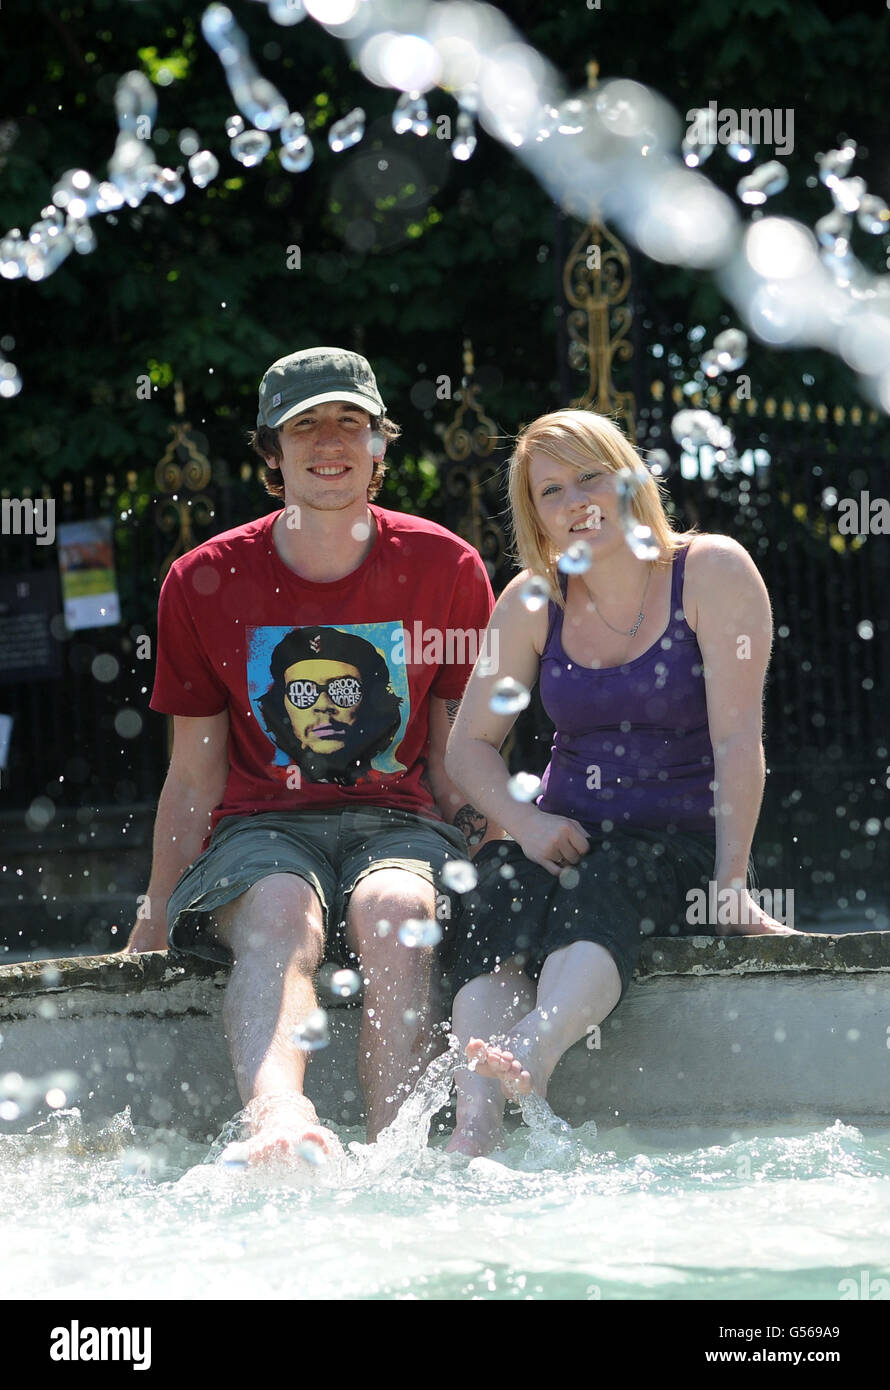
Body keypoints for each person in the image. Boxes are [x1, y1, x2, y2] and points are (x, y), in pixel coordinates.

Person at [126, 346, 500, 1163]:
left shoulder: (448, 567)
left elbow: (453, 756)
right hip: (262, 831)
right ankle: (278, 1123)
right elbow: (194, 772)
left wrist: (501, 863)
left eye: (350, 422)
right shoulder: (200, 580)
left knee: (397, 913)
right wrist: (156, 908)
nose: (329, 441)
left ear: (379, 445)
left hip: (401, 827)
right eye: (305, 425)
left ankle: (396, 1151)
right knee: (279, 909)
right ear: (271, 450)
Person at [443, 408, 800, 1157]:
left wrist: (730, 885)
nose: (575, 501)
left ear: (628, 480)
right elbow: (469, 748)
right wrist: (529, 824)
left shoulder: (709, 571)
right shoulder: (533, 601)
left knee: (612, 880)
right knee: (499, 885)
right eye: (550, 491)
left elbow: (739, 741)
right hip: (563, 832)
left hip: (675, 844)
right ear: (534, 515)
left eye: (589, 477)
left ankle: (535, 1052)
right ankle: (473, 1131)